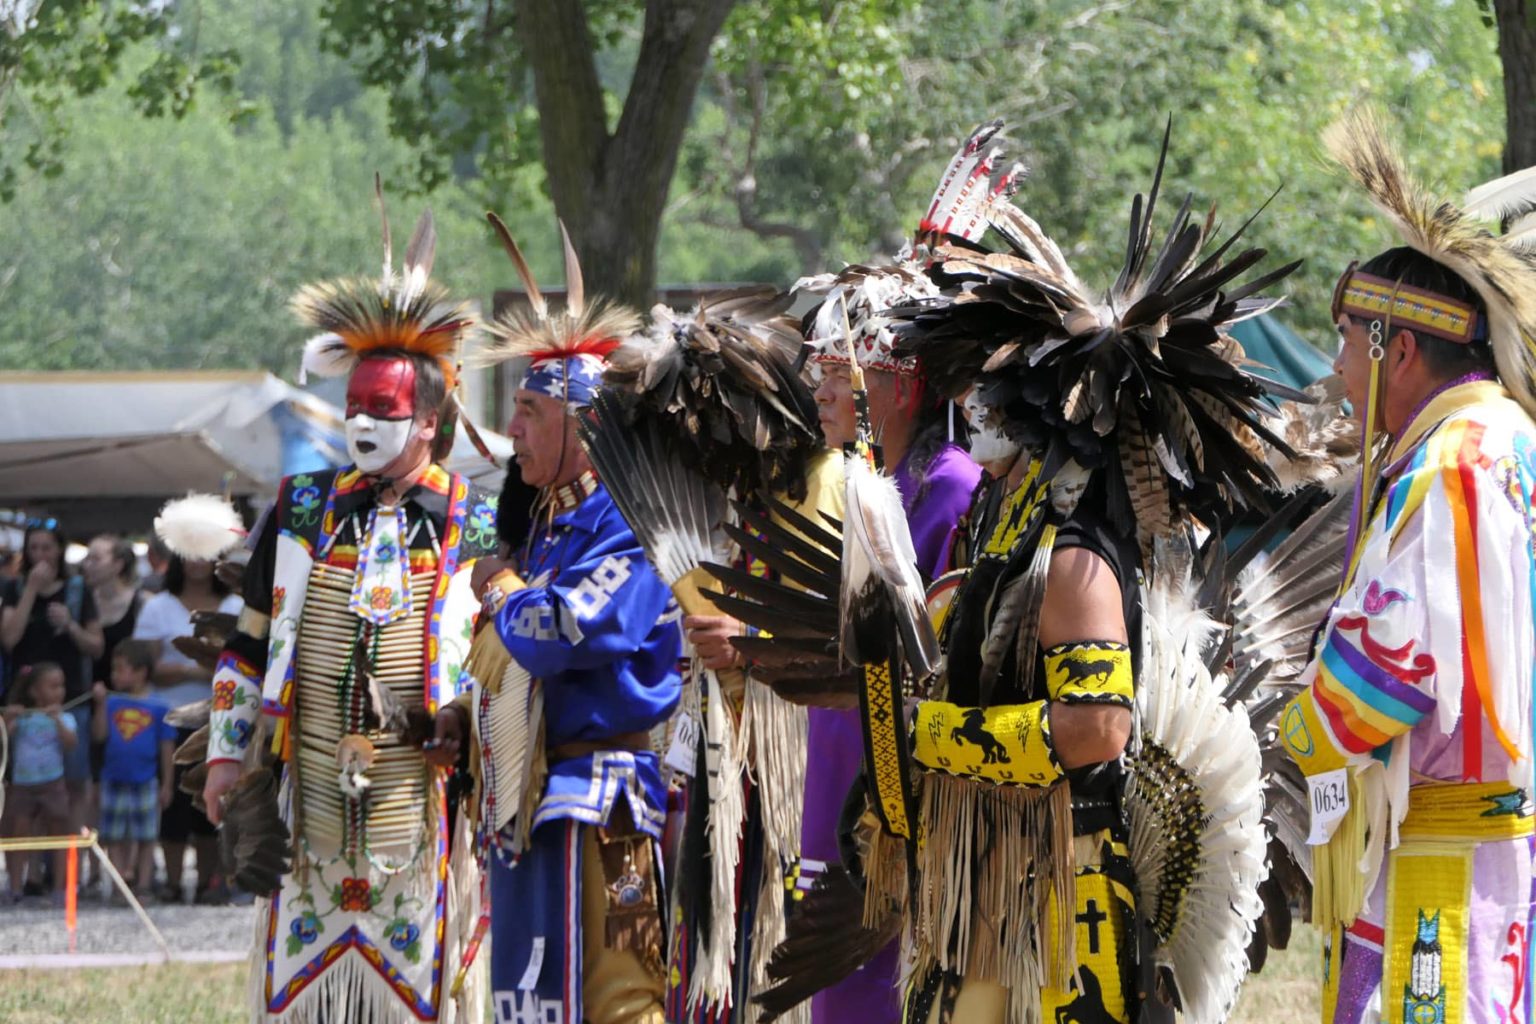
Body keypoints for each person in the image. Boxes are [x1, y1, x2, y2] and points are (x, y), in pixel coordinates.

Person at [199, 202, 494, 1023]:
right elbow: (248, 642)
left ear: (430, 420)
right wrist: (228, 755)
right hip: (312, 804)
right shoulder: (302, 509)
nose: (361, 422)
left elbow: (496, 661)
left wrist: (470, 730)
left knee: (421, 995)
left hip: (422, 810)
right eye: (354, 405)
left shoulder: (476, 521)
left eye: (385, 410)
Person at [1279, 109, 1536, 1024]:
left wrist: (1289, 729)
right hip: (1477, 847)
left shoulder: (1454, 463)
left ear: (1400, 350)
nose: (1340, 370)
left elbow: (1397, 661)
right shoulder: (1505, 441)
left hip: (1442, 861)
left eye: (1349, 343)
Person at [430, 216, 682, 1024]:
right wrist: (461, 721)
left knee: (610, 1002)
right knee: (528, 1000)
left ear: (581, 422)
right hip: (527, 800)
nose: (514, 429)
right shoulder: (541, 527)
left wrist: (501, 592)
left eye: (532, 412)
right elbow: (507, 660)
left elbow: (576, 631)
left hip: (597, 799)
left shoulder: (631, 515)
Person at [791, 264, 981, 1024]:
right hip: (840, 777)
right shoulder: (871, 482)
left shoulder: (949, 489)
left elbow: (942, 663)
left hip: (899, 804)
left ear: (901, 388)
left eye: (845, 372)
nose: (825, 392)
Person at [134, 554, 241, 903]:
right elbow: (149, 667)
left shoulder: (236, 604)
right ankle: (173, 881)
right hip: (167, 717)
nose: (198, 563)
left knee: (211, 801)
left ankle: (211, 878)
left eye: (207, 556)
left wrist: (182, 666)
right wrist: (204, 669)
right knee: (173, 803)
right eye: (191, 555)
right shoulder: (158, 607)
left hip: (224, 716)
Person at [1, 520, 103, 878]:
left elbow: (97, 645)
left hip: (69, 701)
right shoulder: (14, 589)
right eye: (34, 549)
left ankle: (65, 875)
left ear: (60, 550)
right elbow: (9, 639)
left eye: (47, 548)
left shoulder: (78, 590)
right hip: (25, 704)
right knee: (24, 792)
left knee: (72, 787)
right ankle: (27, 877)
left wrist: (71, 624)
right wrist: (31, 590)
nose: (41, 555)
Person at [91, 638, 174, 897]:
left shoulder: (159, 706)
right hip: (114, 778)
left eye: (120, 669)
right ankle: (119, 887)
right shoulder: (112, 703)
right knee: (114, 835)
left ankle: (145, 883)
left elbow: (167, 748)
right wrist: (101, 705)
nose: (114, 675)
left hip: (146, 780)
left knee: (147, 836)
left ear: (141, 672)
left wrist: (167, 784)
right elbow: (98, 735)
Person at [2, 662, 78, 903]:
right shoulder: (22, 718)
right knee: (19, 834)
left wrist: (57, 721)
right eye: (53, 686)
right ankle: (15, 886)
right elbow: (5, 737)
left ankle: (59, 886)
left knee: (58, 834)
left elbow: (71, 743)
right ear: (34, 691)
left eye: (62, 686)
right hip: (23, 785)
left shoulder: (65, 716)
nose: (60, 691)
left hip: (52, 783)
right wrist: (8, 719)